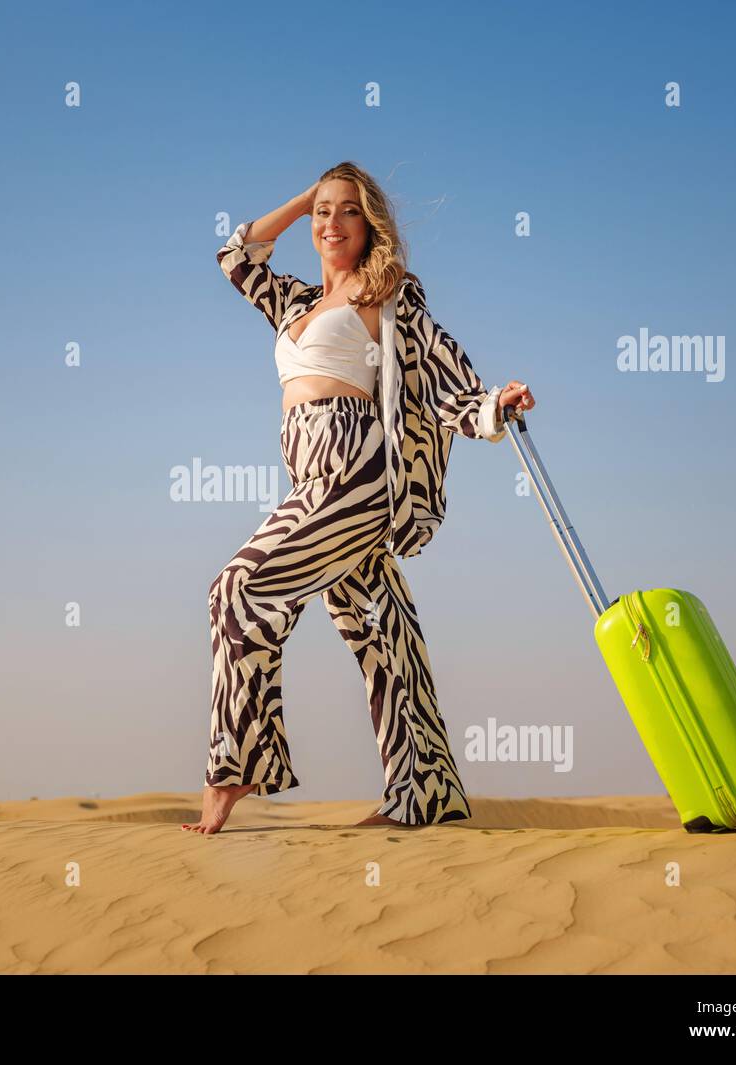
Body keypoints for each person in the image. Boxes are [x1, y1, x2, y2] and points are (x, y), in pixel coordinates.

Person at [183, 162, 535, 834]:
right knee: (378, 625)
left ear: (370, 222)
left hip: (355, 470)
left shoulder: (386, 295)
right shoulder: (292, 303)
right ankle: (422, 792)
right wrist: (303, 198)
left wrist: (491, 404)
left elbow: (437, 367)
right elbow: (236, 254)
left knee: (238, 588)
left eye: (347, 210)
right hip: (308, 475)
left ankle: (237, 764)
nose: (330, 224)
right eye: (323, 211)